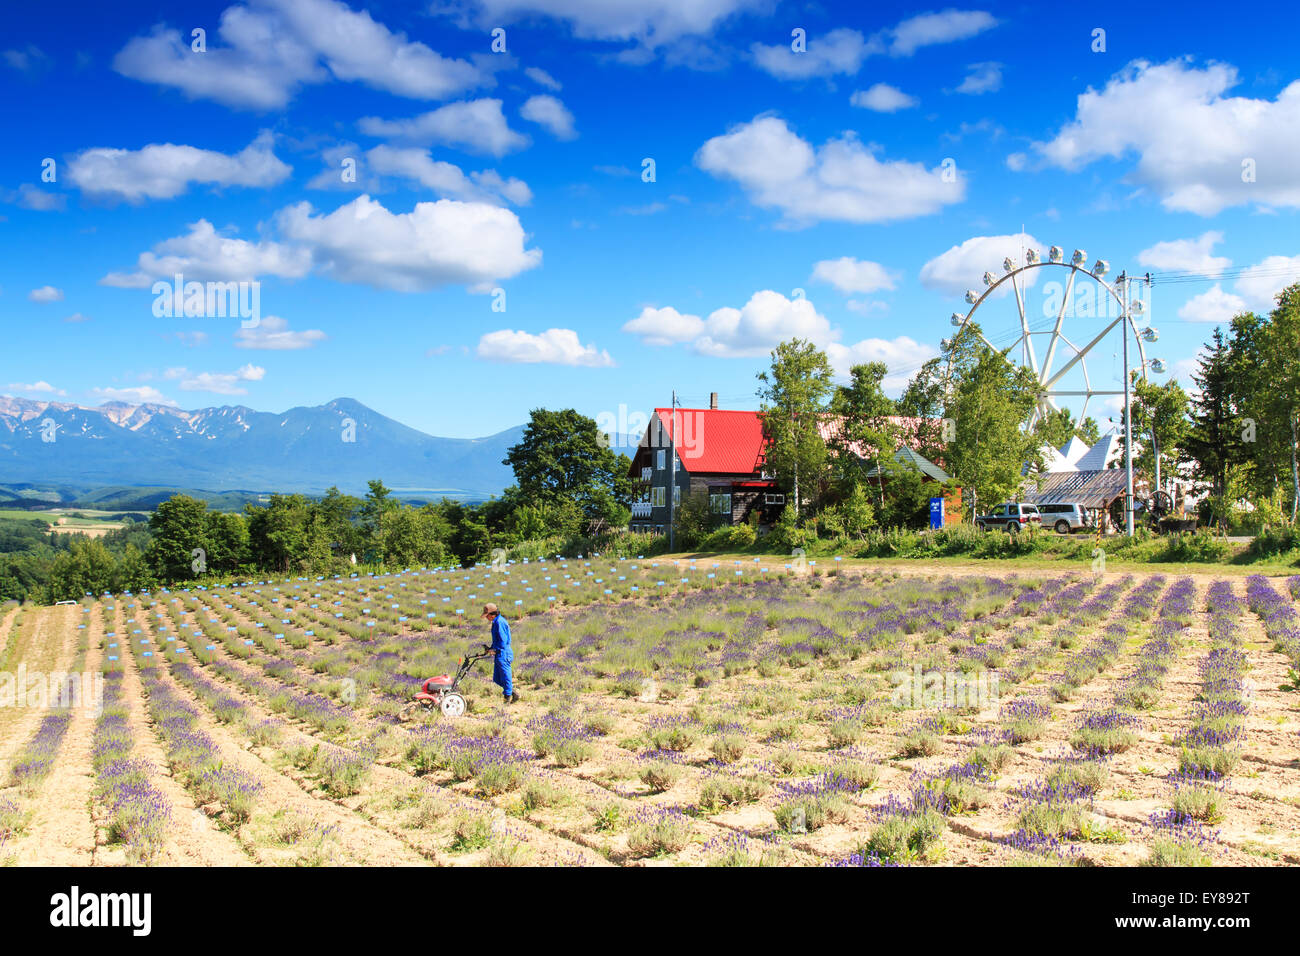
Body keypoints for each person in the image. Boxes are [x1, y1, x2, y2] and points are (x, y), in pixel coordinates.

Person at [482, 603, 518, 704]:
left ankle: (507, 698)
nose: (486, 618)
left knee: (506, 676)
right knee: (497, 678)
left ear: (492, 614)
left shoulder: (499, 622)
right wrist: (490, 648)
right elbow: (497, 640)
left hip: (503, 653)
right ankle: (512, 692)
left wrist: (496, 650)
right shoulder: (495, 622)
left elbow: (503, 640)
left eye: (487, 616)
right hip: (499, 653)